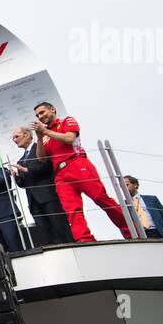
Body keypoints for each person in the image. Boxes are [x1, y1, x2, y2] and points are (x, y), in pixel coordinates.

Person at [30, 102, 131, 242]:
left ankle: (131, 230)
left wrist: (46, 131)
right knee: (71, 209)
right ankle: (84, 239)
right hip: (60, 173)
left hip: (77, 163)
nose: (40, 117)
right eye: (37, 115)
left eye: (42, 112)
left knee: (100, 198)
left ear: (52, 109)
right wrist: (40, 137)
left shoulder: (67, 120)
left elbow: (70, 138)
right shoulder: (44, 135)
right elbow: (41, 158)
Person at [10, 126, 73, 245]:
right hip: (33, 201)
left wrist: (28, 170)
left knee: (61, 228)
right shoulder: (20, 161)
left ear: (27, 135)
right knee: (46, 233)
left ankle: (73, 249)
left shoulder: (40, 148)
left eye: (16, 136)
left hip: (48, 196)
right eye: (13, 138)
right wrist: (17, 177)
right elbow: (23, 184)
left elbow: (48, 166)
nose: (14, 140)